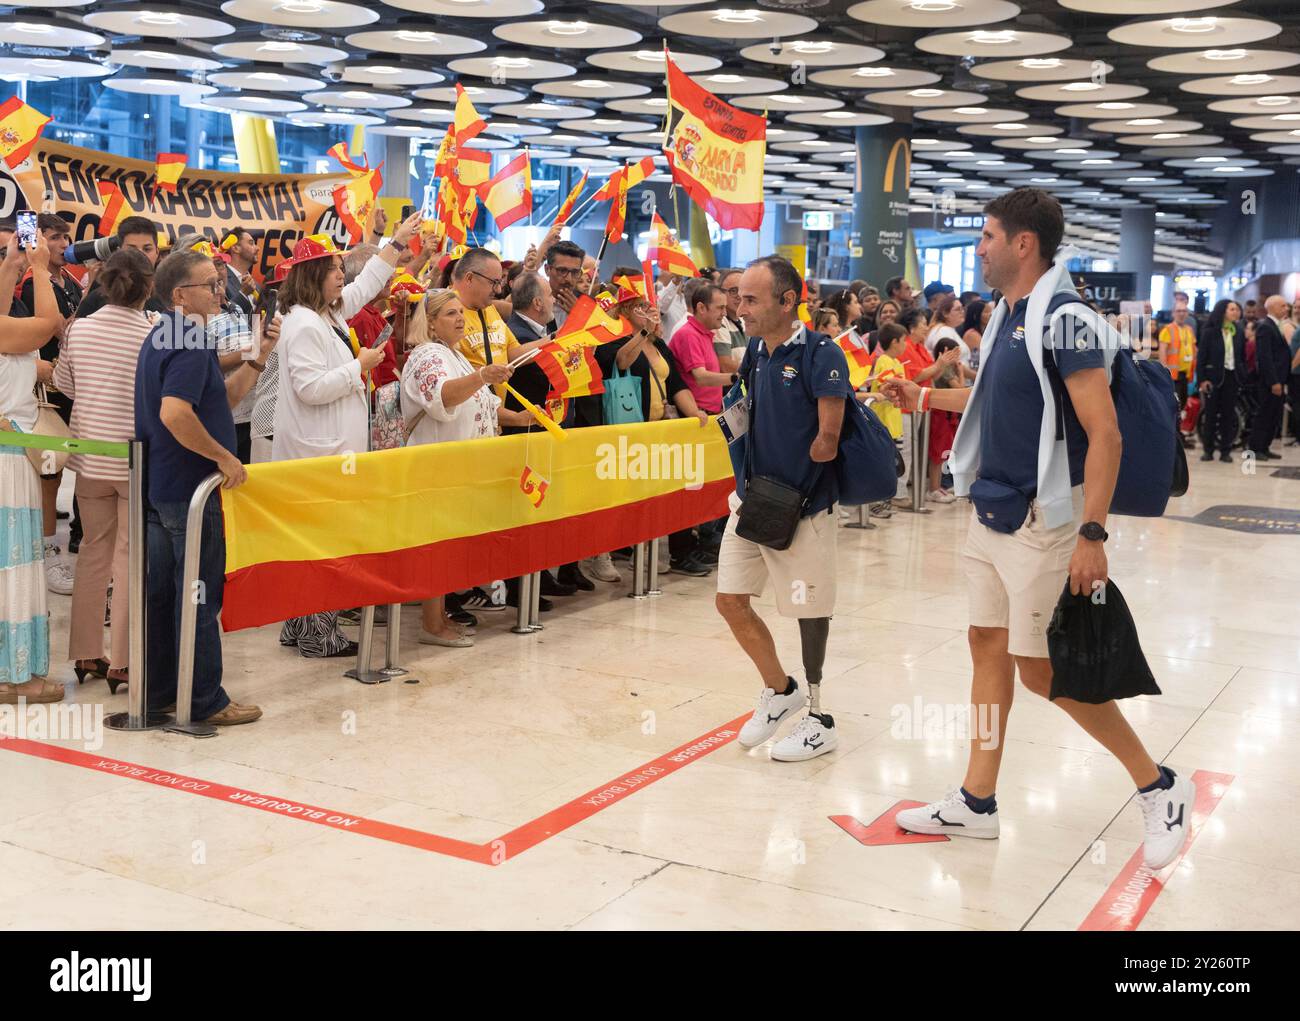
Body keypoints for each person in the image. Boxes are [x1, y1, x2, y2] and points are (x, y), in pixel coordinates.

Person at [882, 187, 1195, 870]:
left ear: (1025, 244)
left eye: (989, 235)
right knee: (986, 645)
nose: (979, 246)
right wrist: (925, 395)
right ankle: (977, 799)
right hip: (993, 510)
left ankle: (1161, 784)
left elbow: (1103, 433)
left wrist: (1092, 534)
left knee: (1041, 669)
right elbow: (998, 396)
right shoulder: (1006, 312)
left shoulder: (1068, 317)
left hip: (1047, 521)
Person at [717, 255, 851, 763]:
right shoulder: (755, 351)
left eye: (751, 299)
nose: (739, 307)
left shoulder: (823, 354)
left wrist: (792, 483)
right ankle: (781, 690)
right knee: (731, 600)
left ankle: (820, 719)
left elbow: (828, 438)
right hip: (753, 504)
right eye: (737, 297)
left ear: (788, 301)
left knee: (810, 615)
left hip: (804, 509)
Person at [273, 213, 423, 657]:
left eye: (342, 270)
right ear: (314, 276)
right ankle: (318, 635)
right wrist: (360, 367)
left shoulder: (326, 314)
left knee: (317, 541)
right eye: (335, 271)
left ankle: (297, 627)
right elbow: (310, 388)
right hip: (317, 453)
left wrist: (395, 244)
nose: (343, 278)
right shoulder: (302, 324)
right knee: (322, 543)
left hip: (328, 450)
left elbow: (365, 284)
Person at [135, 248, 269, 725]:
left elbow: (221, 399)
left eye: (219, 282)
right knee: (198, 594)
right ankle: (205, 699)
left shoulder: (169, 334)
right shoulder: (188, 339)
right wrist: (223, 455)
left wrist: (257, 360)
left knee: (169, 594)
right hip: (191, 488)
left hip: (163, 485)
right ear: (178, 294)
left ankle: (163, 692)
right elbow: (175, 413)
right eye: (209, 285)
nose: (221, 291)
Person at [53, 247, 156, 694]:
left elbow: (64, 384)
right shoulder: (155, 331)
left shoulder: (80, 329)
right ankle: (127, 661)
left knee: (93, 552)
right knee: (130, 555)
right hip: (134, 456)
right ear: (149, 288)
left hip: (89, 454)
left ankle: (86, 652)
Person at [402, 288, 513, 647]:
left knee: (448, 545)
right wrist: (483, 376)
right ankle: (431, 624)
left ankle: (441, 616)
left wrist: (520, 416)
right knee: (436, 546)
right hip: (437, 466)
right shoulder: (427, 355)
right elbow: (444, 395)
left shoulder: (455, 355)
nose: (460, 318)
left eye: (460, 312)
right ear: (431, 323)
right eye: (450, 313)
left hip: (460, 468)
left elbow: (485, 404)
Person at [595, 280, 713, 576]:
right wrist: (643, 333)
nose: (648, 310)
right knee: (624, 496)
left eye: (648, 306)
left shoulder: (658, 343)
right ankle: (606, 553)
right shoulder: (612, 338)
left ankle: (668, 551)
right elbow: (622, 361)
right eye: (640, 307)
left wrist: (694, 412)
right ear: (623, 311)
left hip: (662, 426)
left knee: (667, 491)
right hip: (629, 428)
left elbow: (675, 382)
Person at [0, 233, 63, 703]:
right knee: (15, 565)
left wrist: (12, 265)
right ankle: (17, 675)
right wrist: (40, 267)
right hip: (7, 458)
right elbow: (48, 325)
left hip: (10, 448)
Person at [21, 213, 84, 592]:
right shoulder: (33, 281)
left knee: (58, 471)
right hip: (44, 391)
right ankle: (46, 556)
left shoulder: (70, 280)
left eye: (66, 237)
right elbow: (46, 329)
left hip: (66, 386)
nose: (64, 244)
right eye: (56, 237)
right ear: (38, 240)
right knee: (48, 474)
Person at [74, 216, 166, 318]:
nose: (140, 255)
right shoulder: (101, 286)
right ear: (119, 251)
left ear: (157, 252)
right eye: (132, 249)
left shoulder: (170, 291)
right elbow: (76, 325)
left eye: (147, 249)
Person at [669, 281, 735, 420]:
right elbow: (701, 377)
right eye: (720, 308)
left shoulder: (703, 333)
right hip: (696, 416)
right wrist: (737, 377)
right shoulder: (689, 334)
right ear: (701, 308)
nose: (724, 313)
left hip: (707, 414)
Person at [1196, 299, 1245, 463]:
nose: (1236, 312)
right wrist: (1202, 379)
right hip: (1213, 378)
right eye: (1232, 309)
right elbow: (1201, 357)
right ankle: (1208, 450)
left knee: (1228, 415)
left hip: (1232, 377)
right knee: (1210, 416)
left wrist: (1242, 374)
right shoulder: (1210, 331)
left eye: (1237, 309)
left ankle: (1226, 450)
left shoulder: (1238, 330)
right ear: (1223, 311)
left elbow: (1241, 356)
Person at [1248, 294, 1290, 460]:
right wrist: (1273, 381)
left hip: (1279, 379)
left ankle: (1264, 447)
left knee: (1273, 415)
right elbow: (1265, 357)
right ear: (1272, 308)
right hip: (1269, 382)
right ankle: (1254, 448)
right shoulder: (1265, 326)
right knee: (1264, 414)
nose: (1286, 309)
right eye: (1283, 306)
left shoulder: (1276, 325)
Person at [1158, 303, 1197, 413]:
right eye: (1178, 311)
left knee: (1183, 403)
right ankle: (1173, 429)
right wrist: (1164, 374)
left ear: (1187, 313)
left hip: (1186, 374)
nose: (1181, 313)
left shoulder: (1189, 330)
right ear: (1173, 313)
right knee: (1173, 405)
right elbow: (1162, 353)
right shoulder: (1167, 329)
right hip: (1173, 376)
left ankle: (1178, 428)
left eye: (1184, 311)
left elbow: (1193, 349)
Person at [219, 228, 258, 315]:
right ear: (235, 248)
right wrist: (243, 294)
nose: (257, 248)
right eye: (251, 243)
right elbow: (221, 316)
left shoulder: (257, 285)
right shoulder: (220, 281)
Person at [713, 268, 745, 371]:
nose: (739, 296)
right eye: (733, 291)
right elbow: (726, 366)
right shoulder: (719, 322)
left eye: (743, 290)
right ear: (720, 293)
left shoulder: (744, 320)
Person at [961, 299, 989, 372]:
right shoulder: (972, 335)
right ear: (976, 315)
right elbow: (978, 361)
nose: (990, 314)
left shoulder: (984, 332)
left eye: (991, 311)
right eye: (986, 311)